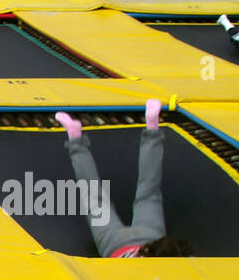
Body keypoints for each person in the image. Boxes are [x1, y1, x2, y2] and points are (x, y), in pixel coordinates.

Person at [54, 100, 193, 259]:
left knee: (149, 191)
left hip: (151, 237)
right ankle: (75, 140)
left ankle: (152, 127)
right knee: (94, 200)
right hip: (115, 244)